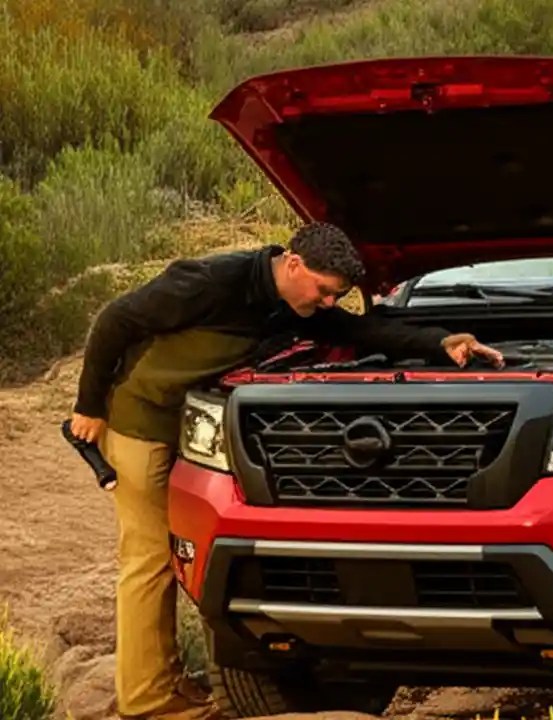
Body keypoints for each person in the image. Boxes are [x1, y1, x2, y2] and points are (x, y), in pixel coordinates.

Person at [66, 222, 503, 720]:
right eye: (324, 290)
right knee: (149, 560)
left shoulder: (293, 303)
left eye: (335, 295)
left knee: (182, 554)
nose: (327, 303)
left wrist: (442, 342)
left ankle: (166, 683)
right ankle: (147, 703)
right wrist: (89, 407)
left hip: (196, 429)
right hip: (138, 422)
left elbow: (360, 330)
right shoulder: (212, 281)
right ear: (293, 263)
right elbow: (114, 320)